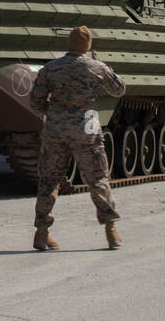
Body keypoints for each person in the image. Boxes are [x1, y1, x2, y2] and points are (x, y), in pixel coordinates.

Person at [28, 26, 126, 251]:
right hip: (87, 130)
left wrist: (53, 113)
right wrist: (103, 66)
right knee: (98, 178)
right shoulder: (95, 67)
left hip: (56, 130)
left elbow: (36, 101)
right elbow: (119, 89)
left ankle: (42, 234)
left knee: (49, 181)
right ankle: (111, 231)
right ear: (88, 46)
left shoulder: (51, 68)